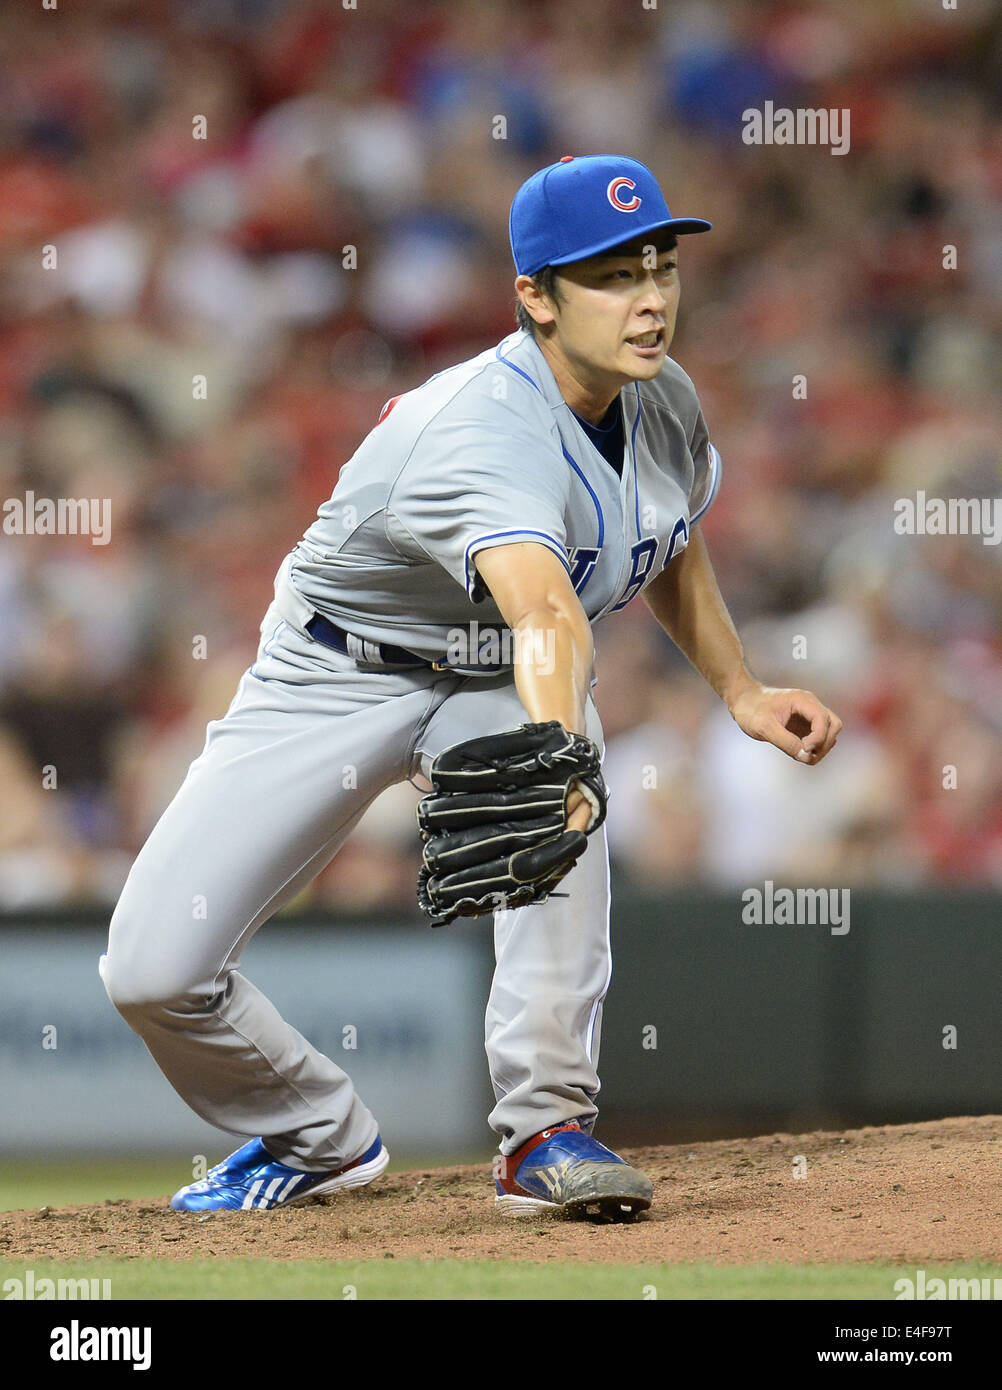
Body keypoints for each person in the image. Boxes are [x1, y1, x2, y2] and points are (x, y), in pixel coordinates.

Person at [101, 155, 842, 1221]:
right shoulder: (481, 428)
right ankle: (317, 1135)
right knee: (151, 971)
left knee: (554, 786)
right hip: (338, 671)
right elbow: (545, 611)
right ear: (534, 297)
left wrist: (740, 689)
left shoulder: (663, 397)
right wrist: (561, 756)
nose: (649, 299)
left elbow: (668, 542)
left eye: (661, 266)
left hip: (493, 671)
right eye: (611, 275)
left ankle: (546, 1129)